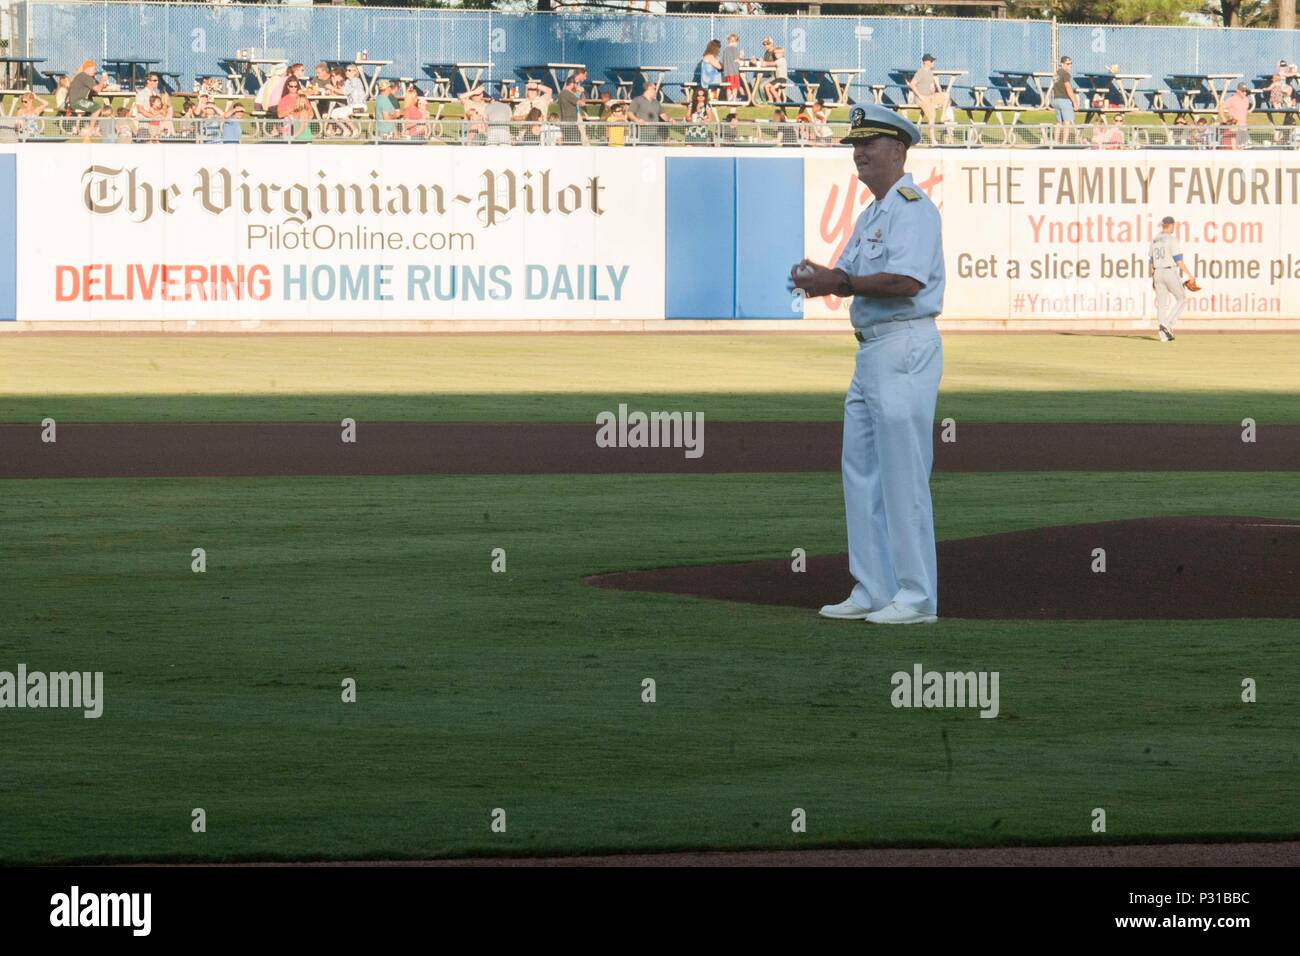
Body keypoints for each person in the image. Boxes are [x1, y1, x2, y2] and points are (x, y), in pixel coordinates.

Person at [790, 105, 945, 625]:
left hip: (904, 344)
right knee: (860, 472)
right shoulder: (874, 212)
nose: (858, 155)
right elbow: (849, 275)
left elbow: (907, 282)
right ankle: (873, 587)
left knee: (903, 476)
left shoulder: (912, 206)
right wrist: (818, 277)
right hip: (873, 349)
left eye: (869, 145)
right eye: (855, 146)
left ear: (899, 151)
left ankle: (918, 597)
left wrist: (840, 283)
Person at [1148, 215, 1193, 342]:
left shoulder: (1155, 240)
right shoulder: (1171, 239)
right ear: (1171, 225)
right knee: (1182, 298)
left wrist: (1153, 277)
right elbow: (1178, 260)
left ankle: (1163, 337)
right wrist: (1189, 275)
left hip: (1157, 273)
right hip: (1168, 271)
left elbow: (1151, 261)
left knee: (1161, 304)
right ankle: (1167, 325)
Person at [907, 54, 943, 146]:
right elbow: (912, 84)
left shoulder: (930, 72)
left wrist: (933, 95)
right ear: (926, 62)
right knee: (932, 115)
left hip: (929, 97)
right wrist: (920, 96)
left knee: (946, 96)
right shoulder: (920, 72)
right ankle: (933, 140)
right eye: (931, 61)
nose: (933, 62)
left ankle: (943, 116)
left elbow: (931, 86)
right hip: (921, 98)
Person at [1051, 54, 1077, 145]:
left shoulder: (1056, 73)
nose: (1069, 65)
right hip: (1064, 100)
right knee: (1067, 123)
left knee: (1059, 122)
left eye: (1070, 63)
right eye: (1067, 64)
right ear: (1062, 64)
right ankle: (1064, 143)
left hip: (1056, 100)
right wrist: (1075, 102)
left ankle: (1055, 141)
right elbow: (1068, 88)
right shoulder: (1065, 74)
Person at [1218, 81, 1251, 149]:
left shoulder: (1246, 100)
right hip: (1234, 127)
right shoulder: (1232, 99)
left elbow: (1245, 111)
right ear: (1237, 90)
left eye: (1245, 91)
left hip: (1243, 126)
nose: (1244, 93)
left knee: (1243, 147)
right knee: (1234, 148)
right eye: (1242, 91)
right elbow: (1221, 108)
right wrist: (1224, 120)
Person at [557, 73, 584, 144]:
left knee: (567, 143)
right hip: (571, 123)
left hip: (563, 122)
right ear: (572, 84)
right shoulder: (569, 94)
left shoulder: (561, 93)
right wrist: (581, 93)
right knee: (575, 143)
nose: (576, 86)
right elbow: (582, 103)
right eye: (575, 84)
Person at [721, 34, 743, 101]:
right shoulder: (735, 49)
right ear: (735, 41)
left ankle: (728, 99)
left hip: (727, 72)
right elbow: (737, 60)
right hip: (734, 71)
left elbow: (724, 60)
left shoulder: (725, 50)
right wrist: (741, 56)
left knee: (728, 87)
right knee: (735, 86)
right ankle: (733, 98)